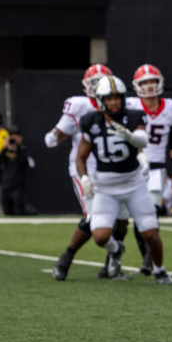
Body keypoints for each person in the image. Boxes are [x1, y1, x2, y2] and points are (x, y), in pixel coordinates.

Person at [75, 75, 172, 285]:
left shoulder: (133, 116)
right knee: (100, 237)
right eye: (109, 98)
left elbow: (143, 140)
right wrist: (84, 178)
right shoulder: (91, 121)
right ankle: (116, 249)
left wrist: (130, 137)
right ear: (101, 100)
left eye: (117, 97)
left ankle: (160, 270)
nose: (114, 102)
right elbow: (81, 156)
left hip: (134, 185)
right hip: (105, 188)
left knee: (151, 233)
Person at [46, 65, 131, 280]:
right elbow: (60, 133)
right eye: (94, 82)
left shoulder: (123, 107)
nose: (98, 86)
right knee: (94, 217)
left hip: (115, 168)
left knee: (121, 218)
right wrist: (55, 134)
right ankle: (67, 258)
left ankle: (110, 265)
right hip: (87, 168)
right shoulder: (80, 106)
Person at [126, 64, 172, 272]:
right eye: (145, 82)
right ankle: (146, 256)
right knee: (137, 217)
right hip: (134, 167)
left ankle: (149, 258)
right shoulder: (131, 106)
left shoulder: (170, 108)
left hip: (157, 168)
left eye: (152, 81)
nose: (149, 86)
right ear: (137, 86)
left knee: (152, 214)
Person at [0, 127, 34, 215]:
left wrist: (17, 150)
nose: (14, 139)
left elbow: (28, 163)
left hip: (17, 185)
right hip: (6, 184)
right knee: (7, 211)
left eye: (16, 137)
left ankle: (29, 211)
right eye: (12, 137)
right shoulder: (6, 150)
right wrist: (5, 148)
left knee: (19, 211)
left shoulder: (23, 150)